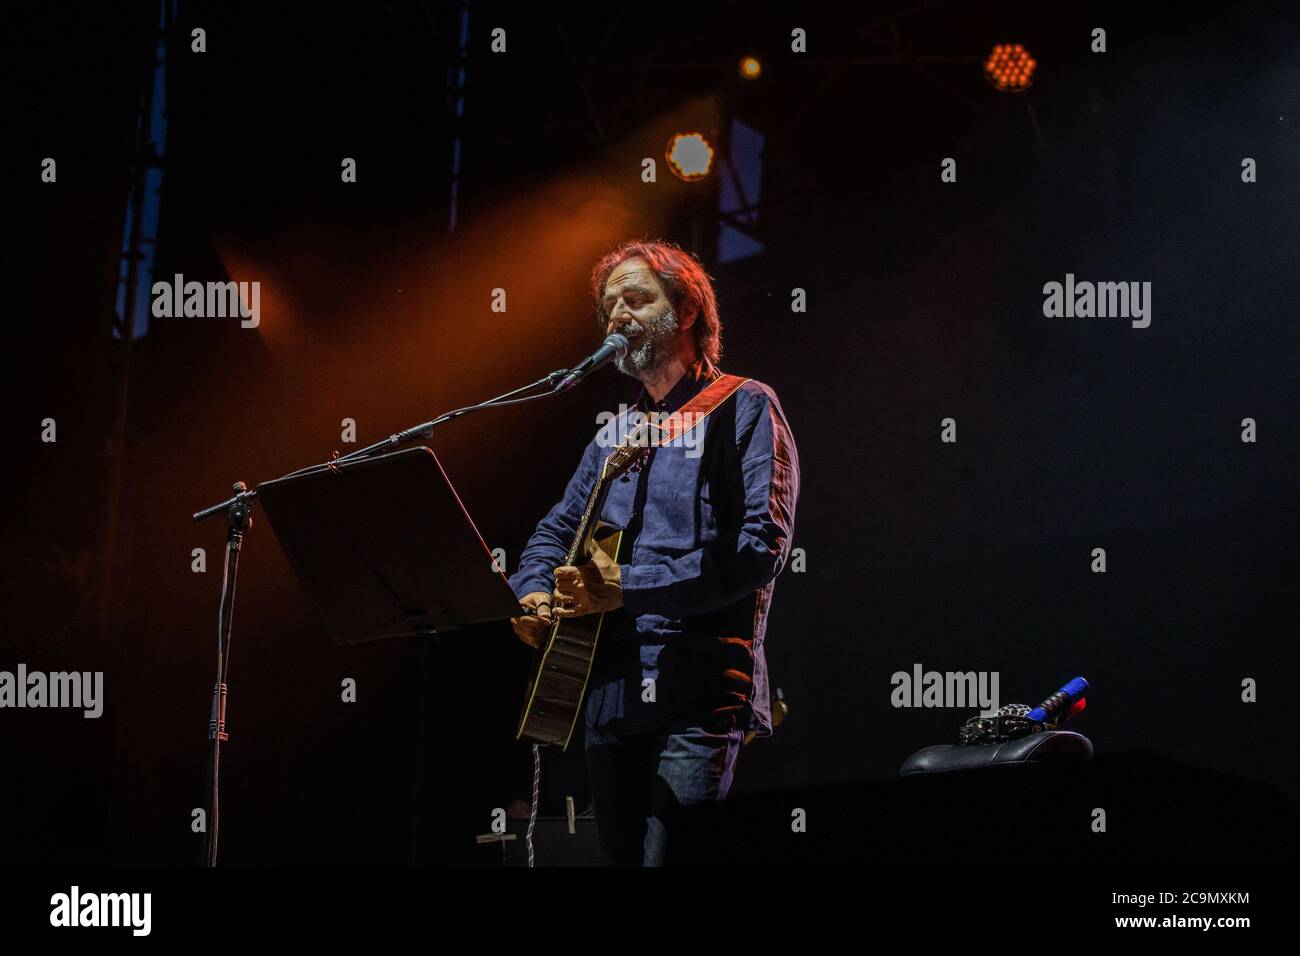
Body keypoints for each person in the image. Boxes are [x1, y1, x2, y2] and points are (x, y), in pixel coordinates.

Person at [508, 239, 800, 866]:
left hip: (698, 687)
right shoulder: (613, 434)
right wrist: (530, 590)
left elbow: (760, 550)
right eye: (609, 306)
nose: (617, 315)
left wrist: (625, 586)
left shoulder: (745, 406)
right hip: (609, 690)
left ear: (688, 309)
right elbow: (551, 533)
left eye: (636, 299)